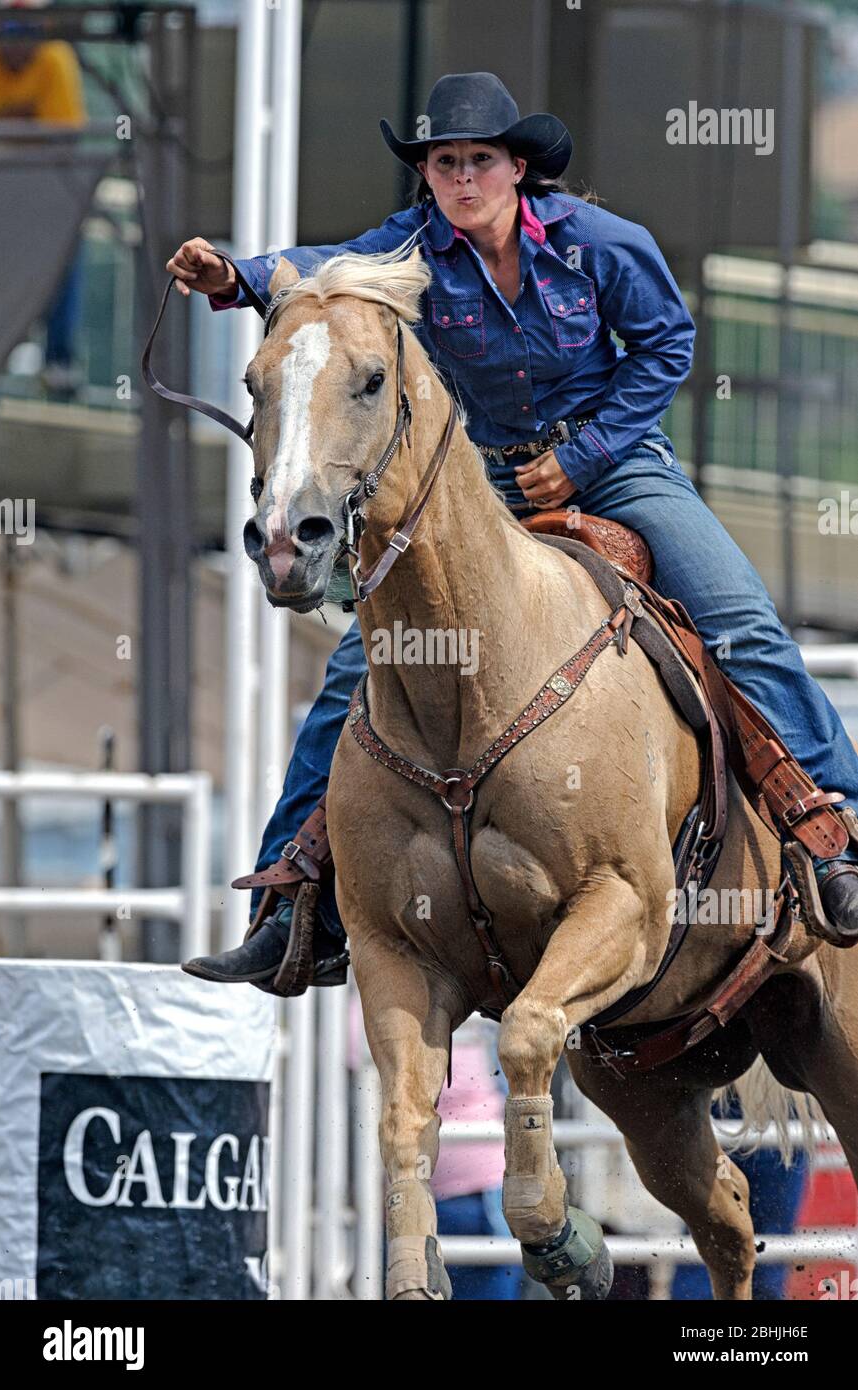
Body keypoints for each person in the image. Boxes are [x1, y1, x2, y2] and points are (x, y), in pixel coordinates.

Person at [168, 71, 858, 985]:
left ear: (516, 168)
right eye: (444, 164)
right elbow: (318, 265)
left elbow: (666, 345)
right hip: (478, 484)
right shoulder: (412, 249)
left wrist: (583, 456)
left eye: (478, 161)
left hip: (613, 465)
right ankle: (292, 901)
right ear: (429, 177)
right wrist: (238, 276)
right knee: (361, 669)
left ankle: (831, 835)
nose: (461, 180)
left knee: (736, 621)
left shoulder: (602, 245)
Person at [0, 3, 87, 393]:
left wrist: (10, 129)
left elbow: (63, 144)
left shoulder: (55, 59)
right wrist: (28, 124)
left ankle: (59, 360)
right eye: (8, 21)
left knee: (67, 251)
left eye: (28, 23)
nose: (17, 34)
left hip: (43, 199)